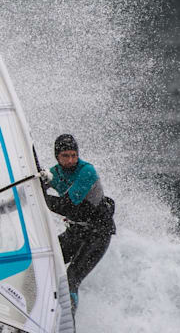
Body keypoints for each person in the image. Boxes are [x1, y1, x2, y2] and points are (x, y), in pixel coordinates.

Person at [40, 133, 115, 313]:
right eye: (66, 156)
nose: (71, 159)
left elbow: (68, 207)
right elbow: (27, 193)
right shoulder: (54, 173)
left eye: (74, 155)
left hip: (98, 235)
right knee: (43, 265)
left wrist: (41, 195)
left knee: (72, 277)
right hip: (76, 233)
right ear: (57, 156)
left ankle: (67, 324)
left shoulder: (87, 171)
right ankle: (36, 312)